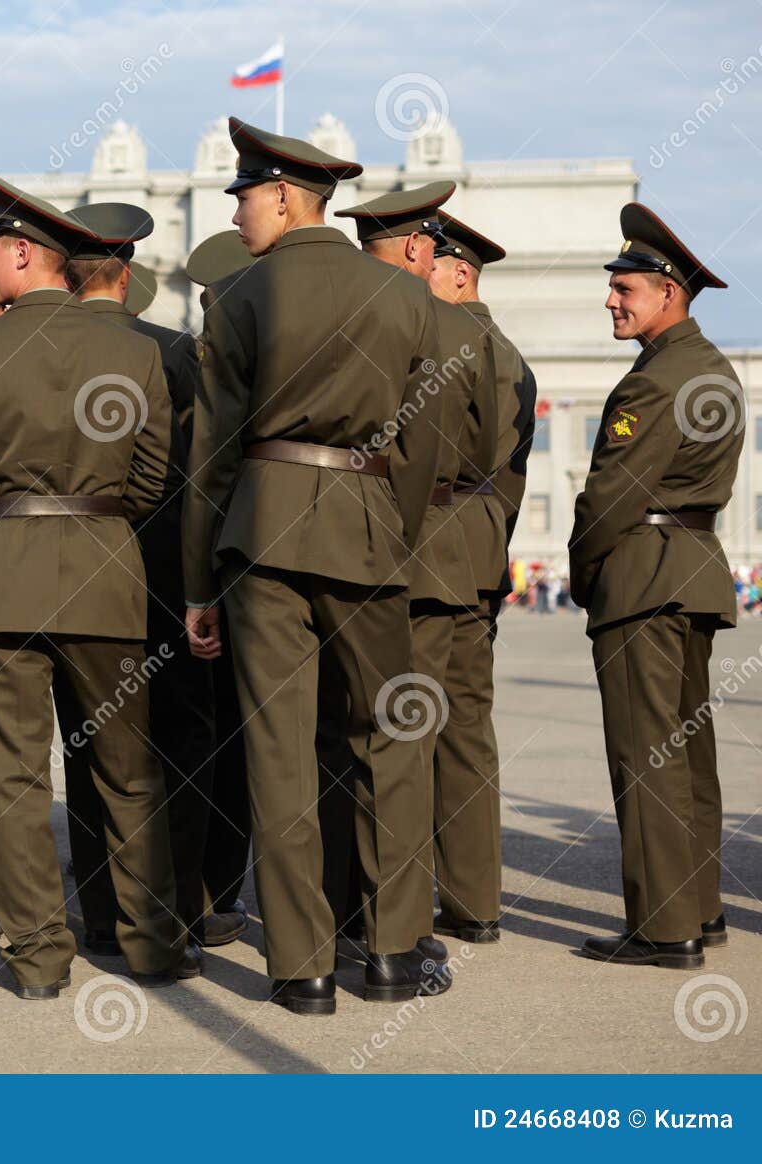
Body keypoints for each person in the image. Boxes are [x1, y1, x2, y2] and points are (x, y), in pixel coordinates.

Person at [182, 119, 454, 1014]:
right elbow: (419, 446)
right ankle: (391, 949)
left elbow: (212, 455)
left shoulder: (240, 298)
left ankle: (301, 970)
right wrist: (390, 532)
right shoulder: (405, 298)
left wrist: (197, 582)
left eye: (245, 195)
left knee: (279, 749)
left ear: (289, 198)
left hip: (261, 534)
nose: (237, 210)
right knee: (390, 732)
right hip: (368, 527)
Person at [0, 170, 194, 1000]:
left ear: (25, 255)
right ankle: (148, 940)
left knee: (10, 776)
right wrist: (101, 518)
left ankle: (38, 956)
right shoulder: (136, 349)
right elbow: (154, 477)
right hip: (108, 573)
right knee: (125, 769)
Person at [59, 201, 241, 952]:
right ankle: (183, 903)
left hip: (79, 573)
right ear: (129, 274)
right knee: (181, 745)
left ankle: (102, 912)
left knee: (88, 742)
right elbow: (208, 477)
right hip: (168, 572)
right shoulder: (180, 356)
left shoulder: (40, 349)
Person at [569, 203, 740, 969]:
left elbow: (611, 493)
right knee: (689, 755)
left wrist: (581, 569)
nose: (612, 300)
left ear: (668, 292)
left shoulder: (656, 380)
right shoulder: (713, 369)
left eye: (625, 289)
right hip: (695, 572)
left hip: (642, 578)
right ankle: (700, 911)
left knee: (647, 756)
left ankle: (663, 930)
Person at [331, 182, 488, 954]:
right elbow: (491, 459)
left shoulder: (365, 315)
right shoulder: (449, 328)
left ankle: (379, 918)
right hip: (432, 551)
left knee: (381, 737)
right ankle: (435, 913)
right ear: (421, 250)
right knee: (427, 735)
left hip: (380, 550)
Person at [426, 210, 535, 943]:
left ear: (459, 271)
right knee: (466, 729)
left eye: (425, 264)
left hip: (429, 546)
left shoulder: (451, 347)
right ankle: (474, 903)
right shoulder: (511, 355)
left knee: (404, 726)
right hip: (479, 552)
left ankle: (392, 905)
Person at [183, 231, 256, 923]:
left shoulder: (224, 364)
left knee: (225, 741)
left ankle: (212, 886)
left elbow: (209, 475)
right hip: (242, 567)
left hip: (233, 570)